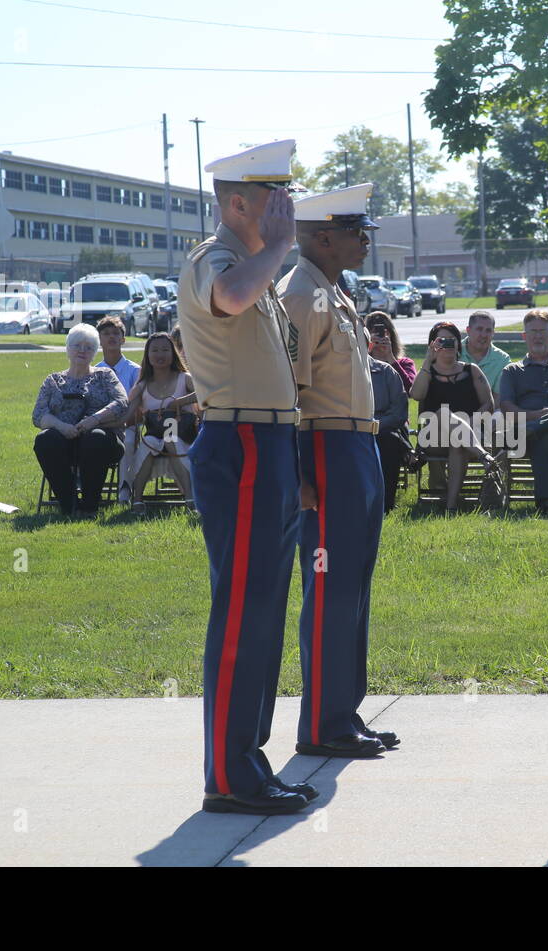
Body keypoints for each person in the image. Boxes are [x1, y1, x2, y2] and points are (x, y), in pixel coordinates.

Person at [177, 140, 316, 816]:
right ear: (238, 203)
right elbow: (230, 298)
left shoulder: (249, 261)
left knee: (262, 609)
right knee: (242, 611)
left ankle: (248, 763)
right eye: (274, 198)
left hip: (267, 441)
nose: (285, 211)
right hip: (242, 443)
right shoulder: (220, 259)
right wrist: (281, 247)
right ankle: (230, 775)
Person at [277, 183, 397, 758]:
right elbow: (289, 391)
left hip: (357, 446)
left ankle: (344, 710)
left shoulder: (330, 289)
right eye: (356, 232)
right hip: (324, 448)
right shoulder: (301, 292)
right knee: (329, 586)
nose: (366, 241)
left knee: (352, 586)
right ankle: (323, 724)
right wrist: (300, 475)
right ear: (323, 236)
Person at [32, 324, 129, 517]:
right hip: (64, 439)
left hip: (102, 441)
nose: (82, 351)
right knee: (44, 440)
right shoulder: (53, 380)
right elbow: (38, 415)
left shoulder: (105, 375)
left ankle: (89, 506)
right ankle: (69, 505)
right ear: (67, 348)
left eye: (89, 347)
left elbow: (122, 402)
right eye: (77, 345)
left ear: (95, 352)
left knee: (95, 438)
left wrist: (94, 419)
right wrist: (61, 426)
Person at [409, 320, 498, 513]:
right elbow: (415, 395)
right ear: (432, 344)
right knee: (443, 413)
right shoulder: (428, 372)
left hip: (467, 436)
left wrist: (469, 423)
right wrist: (427, 360)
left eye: (451, 340)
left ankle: (450, 507)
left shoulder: (472, 370)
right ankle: (484, 456)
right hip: (433, 437)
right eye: (441, 341)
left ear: (458, 343)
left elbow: (488, 404)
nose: (447, 344)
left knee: (457, 440)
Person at [498, 309, 548, 515]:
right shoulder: (512, 371)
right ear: (524, 336)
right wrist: (540, 415)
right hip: (527, 437)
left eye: (542, 331)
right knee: (541, 436)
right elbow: (507, 409)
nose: (538, 336)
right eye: (533, 331)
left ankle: (535, 428)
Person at [124, 331, 197, 513]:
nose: (160, 355)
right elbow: (127, 412)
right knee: (150, 441)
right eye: (154, 350)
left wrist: (179, 402)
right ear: (147, 356)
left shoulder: (184, 378)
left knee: (170, 438)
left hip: (183, 434)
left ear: (173, 353)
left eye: (165, 350)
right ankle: (137, 500)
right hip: (155, 435)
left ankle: (190, 499)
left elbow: (204, 394)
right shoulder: (143, 384)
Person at [95, 317, 141, 504]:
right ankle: (90, 487)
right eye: (106, 334)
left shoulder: (135, 370)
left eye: (116, 333)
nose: (111, 337)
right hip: (100, 425)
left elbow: (138, 405)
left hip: (128, 424)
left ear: (123, 339)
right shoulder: (94, 370)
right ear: (99, 339)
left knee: (128, 441)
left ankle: (124, 489)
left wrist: (124, 422)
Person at [371, 353, 410, 513]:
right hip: (345, 427)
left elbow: (399, 412)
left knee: (390, 440)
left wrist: (374, 426)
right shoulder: (338, 371)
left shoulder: (386, 371)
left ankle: (386, 504)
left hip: (382, 427)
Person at [460, 310, 510, 401]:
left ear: (493, 333)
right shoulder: (453, 352)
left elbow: (498, 398)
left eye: (488, 330)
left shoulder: (502, 360)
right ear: (468, 330)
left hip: (488, 412)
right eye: (479, 329)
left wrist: (476, 415)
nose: (483, 335)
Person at [364, 310, 416, 392]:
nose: (380, 336)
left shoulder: (405, 363)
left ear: (391, 334)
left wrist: (390, 357)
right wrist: (367, 350)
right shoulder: (362, 362)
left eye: (383, 333)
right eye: (374, 332)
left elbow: (410, 390)